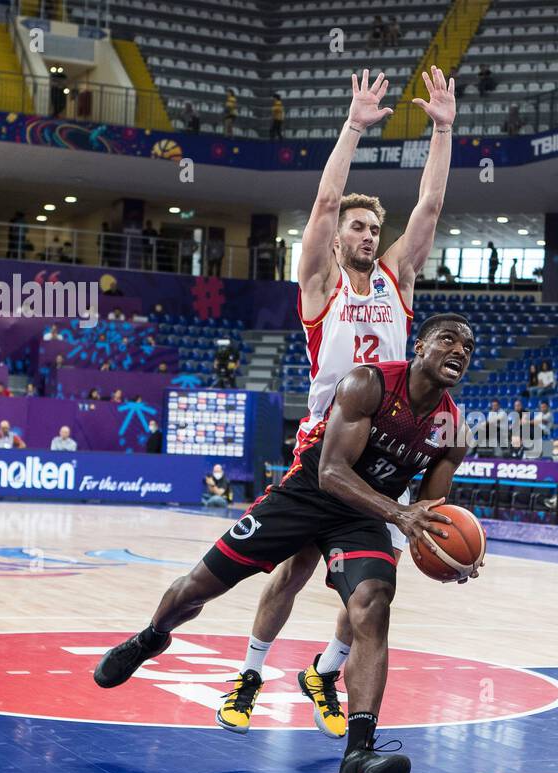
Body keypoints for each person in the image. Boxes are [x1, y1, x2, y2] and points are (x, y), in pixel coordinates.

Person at [93, 319, 474, 773]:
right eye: (448, 339)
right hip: (309, 495)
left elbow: (430, 514)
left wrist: (450, 556)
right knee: (199, 587)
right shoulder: (369, 382)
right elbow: (333, 472)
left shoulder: (453, 430)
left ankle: (359, 754)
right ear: (419, 346)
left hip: (360, 518)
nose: (459, 350)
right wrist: (398, 512)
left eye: (468, 346)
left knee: (374, 603)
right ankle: (151, 637)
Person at [190, 66, 458, 738]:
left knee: (371, 587)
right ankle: (249, 675)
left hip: (387, 455)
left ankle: (326, 673)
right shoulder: (320, 288)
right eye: (359, 227)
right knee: (291, 573)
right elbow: (322, 203)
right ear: (339, 240)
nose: (369, 234)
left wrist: (444, 130)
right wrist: (352, 127)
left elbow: (428, 208)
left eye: (374, 227)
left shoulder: (398, 281)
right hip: (325, 449)